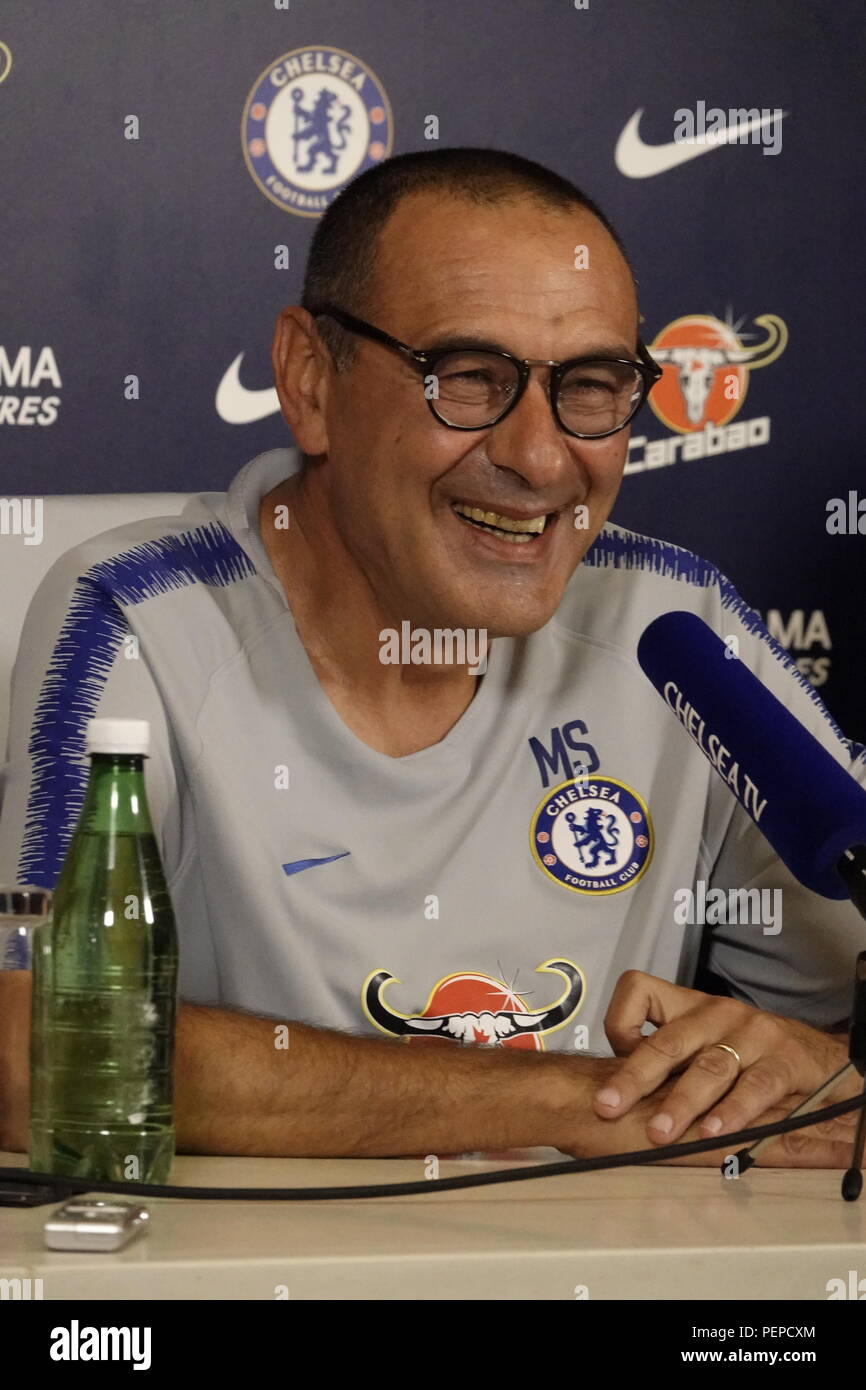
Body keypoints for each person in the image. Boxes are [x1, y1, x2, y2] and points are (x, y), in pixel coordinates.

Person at [0, 148, 863, 1166]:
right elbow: (37, 1050)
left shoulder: (674, 623)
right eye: (468, 378)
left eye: (589, 385)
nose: (540, 458)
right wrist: (564, 1099)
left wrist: (796, 1066)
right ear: (310, 380)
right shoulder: (141, 612)